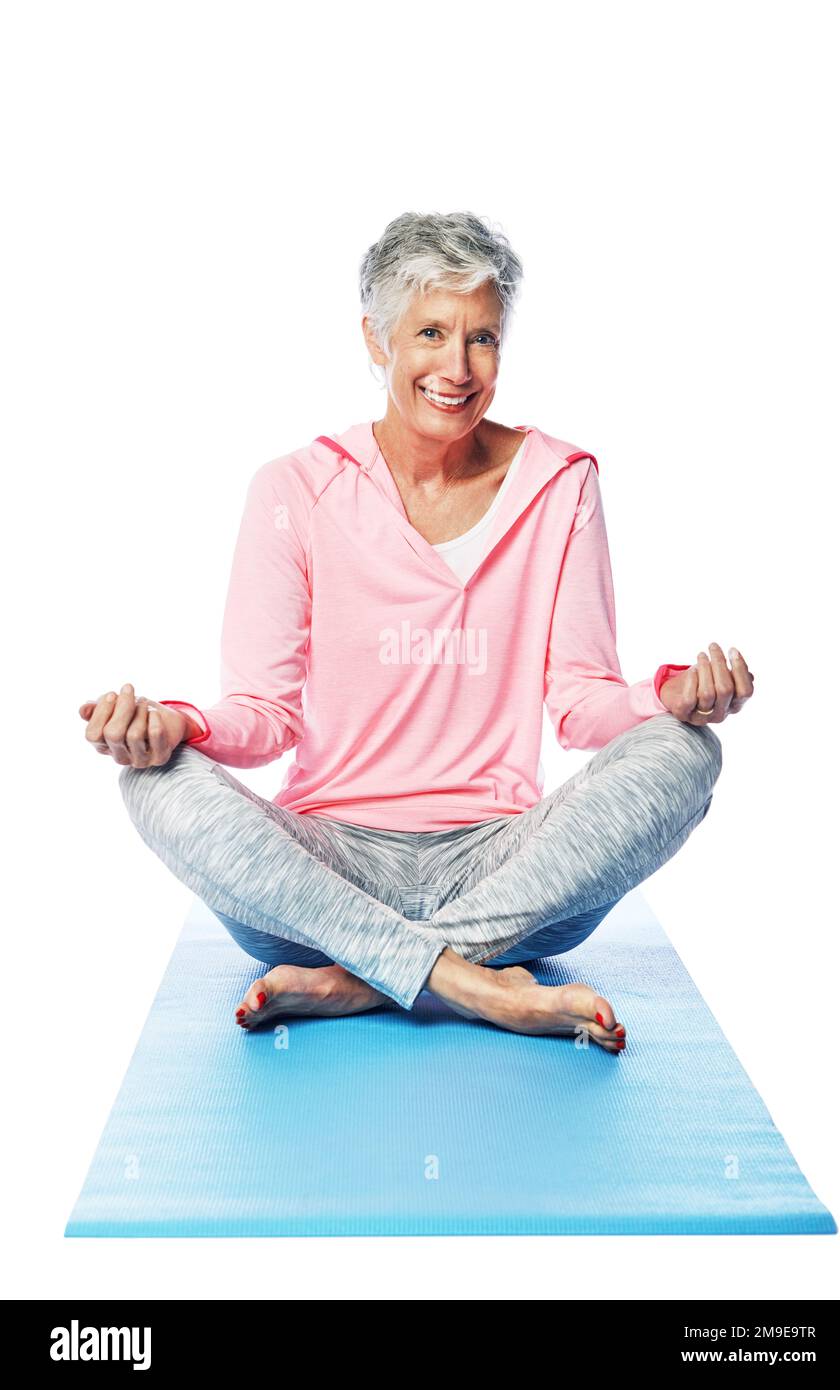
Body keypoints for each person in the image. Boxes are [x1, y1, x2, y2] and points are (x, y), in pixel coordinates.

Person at [79, 211, 754, 1050]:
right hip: (323, 876)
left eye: (482, 338)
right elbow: (263, 715)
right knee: (153, 782)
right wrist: (178, 726)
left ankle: (364, 981)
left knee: (689, 752)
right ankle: (473, 987)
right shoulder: (294, 488)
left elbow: (580, 705)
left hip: (508, 871)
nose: (458, 367)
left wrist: (671, 697)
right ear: (377, 340)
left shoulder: (561, 482)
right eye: (430, 332)